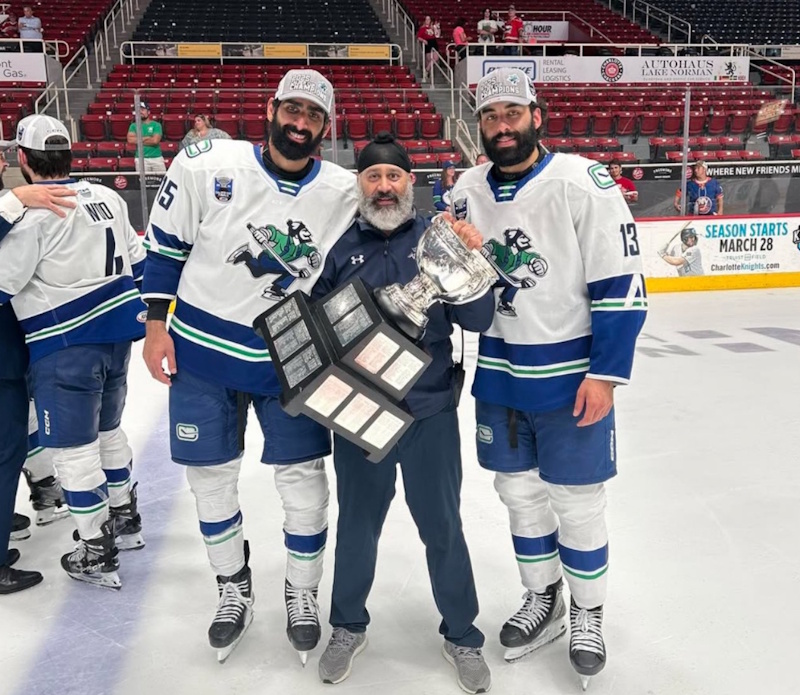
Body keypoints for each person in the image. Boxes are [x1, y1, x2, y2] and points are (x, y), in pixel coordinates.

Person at [141, 69, 359, 664]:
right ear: (270, 109)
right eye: (291, 110)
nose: (299, 124)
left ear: (325, 126)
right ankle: (232, 587)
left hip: (290, 356)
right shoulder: (207, 164)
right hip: (202, 350)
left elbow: (381, 238)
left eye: (313, 117)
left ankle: (301, 593)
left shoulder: (344, 189)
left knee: (305, 484)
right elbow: (165, 246)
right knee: (210, 480)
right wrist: (155, 324)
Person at [451, 68, 647, 689]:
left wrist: (607, 375)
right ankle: (545, 598)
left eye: (512, 113)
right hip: (501, 376)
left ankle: (587, 612)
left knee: (577, 500)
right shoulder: (465, 189)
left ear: (537, 114)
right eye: (489, 117)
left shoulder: (581, 182)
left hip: (571, 378)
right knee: (519, 495)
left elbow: (622, 286)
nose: (501, 127)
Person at [312, 132, 493, 694]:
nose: (384, 186)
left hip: (429, 409)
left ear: (410, 183)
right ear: (359, 185)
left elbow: (481, 318)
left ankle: (462, 635)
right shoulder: (339, 246)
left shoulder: (441, 238)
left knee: (442, 528)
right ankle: (346, 626)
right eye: (373, 177)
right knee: (358, 527)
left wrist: (474, 257)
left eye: (394, 177)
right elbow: (316, 325)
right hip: (360, 411)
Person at [0, 115, 145, 590]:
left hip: (62, 344)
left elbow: (4, 285)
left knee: (73, 450)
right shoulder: (108, 196)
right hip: (117, 338)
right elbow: (139, 261)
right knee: (109, 431)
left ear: (22, 159)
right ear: (69, 154)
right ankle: (126, 519)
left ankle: (95, 549)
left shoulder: (31, 215)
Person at [127, 103, 166, 174]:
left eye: (142, 110)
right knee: (142, 182)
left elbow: (155, 141)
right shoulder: (133, 126)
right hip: (141, 159)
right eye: (138, 110)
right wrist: (147, 138)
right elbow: (130, 140)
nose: (140, 112)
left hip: (156, 158)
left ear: (148, 112)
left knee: (161, 181)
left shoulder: (156, 125)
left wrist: (138, 139)